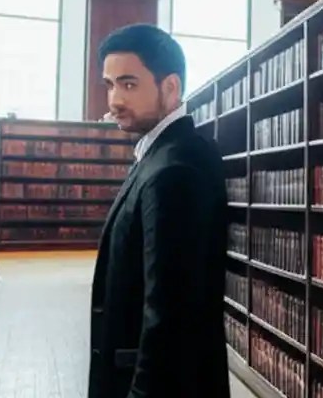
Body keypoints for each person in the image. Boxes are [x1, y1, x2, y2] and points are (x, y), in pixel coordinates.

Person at [88, 24, 229, 398]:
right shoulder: (165, 154)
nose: (114, 100)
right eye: (110, 84)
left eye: (129, 84)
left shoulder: (175, 170)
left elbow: (170, 319)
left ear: (171, 88)